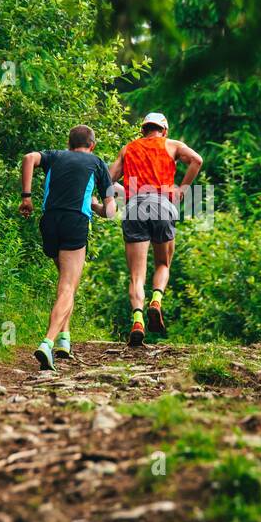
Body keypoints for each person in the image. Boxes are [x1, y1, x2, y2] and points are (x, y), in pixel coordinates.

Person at [19, 125, 115, 370]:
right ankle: (47, 343)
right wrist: (96, 206)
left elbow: (29, 158)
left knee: (64, 282)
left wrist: (26, 197)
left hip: (49, 221)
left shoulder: (55, 155)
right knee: (68, 287)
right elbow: (111, 212)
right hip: (75, 221)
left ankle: (64, 339)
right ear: (92, 145)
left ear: (69, 142)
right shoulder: (97, 163)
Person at [108, 112, 203, 346]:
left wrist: (126, 192)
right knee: (162, 263)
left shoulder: (128, 149)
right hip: (163, 205)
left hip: (134, 208)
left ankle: (138, 320)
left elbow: (106, 180)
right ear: (164, 130)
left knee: (136, 275)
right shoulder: (172, 145)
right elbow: (197, 160)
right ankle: (156, 301)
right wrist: (183, 188)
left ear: (143, 130)